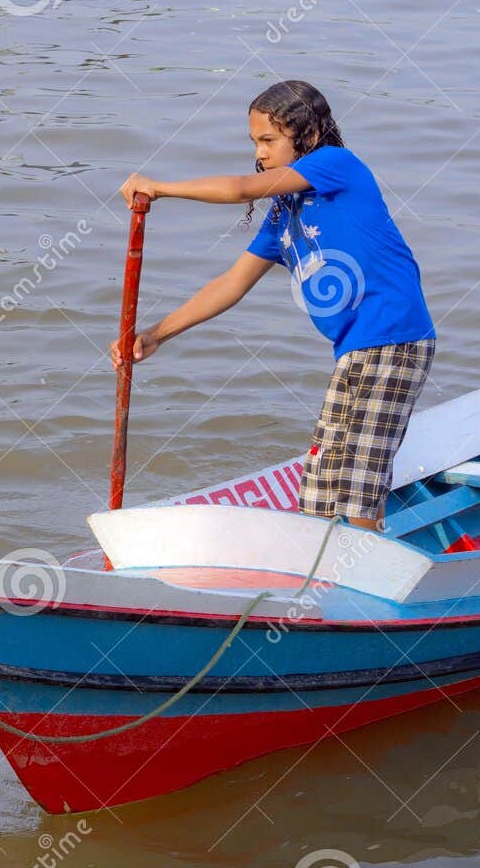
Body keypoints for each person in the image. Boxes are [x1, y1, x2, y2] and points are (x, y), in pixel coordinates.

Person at [112, 80, 436, 531]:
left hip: (394, 338)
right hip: (356, 351)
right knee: (322, 485)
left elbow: (242, 188)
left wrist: (160, 188)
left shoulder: (336, 164)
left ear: (309, 135)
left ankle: (363, 561)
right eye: (254, 143)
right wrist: (155, 334)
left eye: (269, 140)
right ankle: (322, 558)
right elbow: (231, 284)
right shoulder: (284, 214)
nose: (260, 153)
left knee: (358, 483)